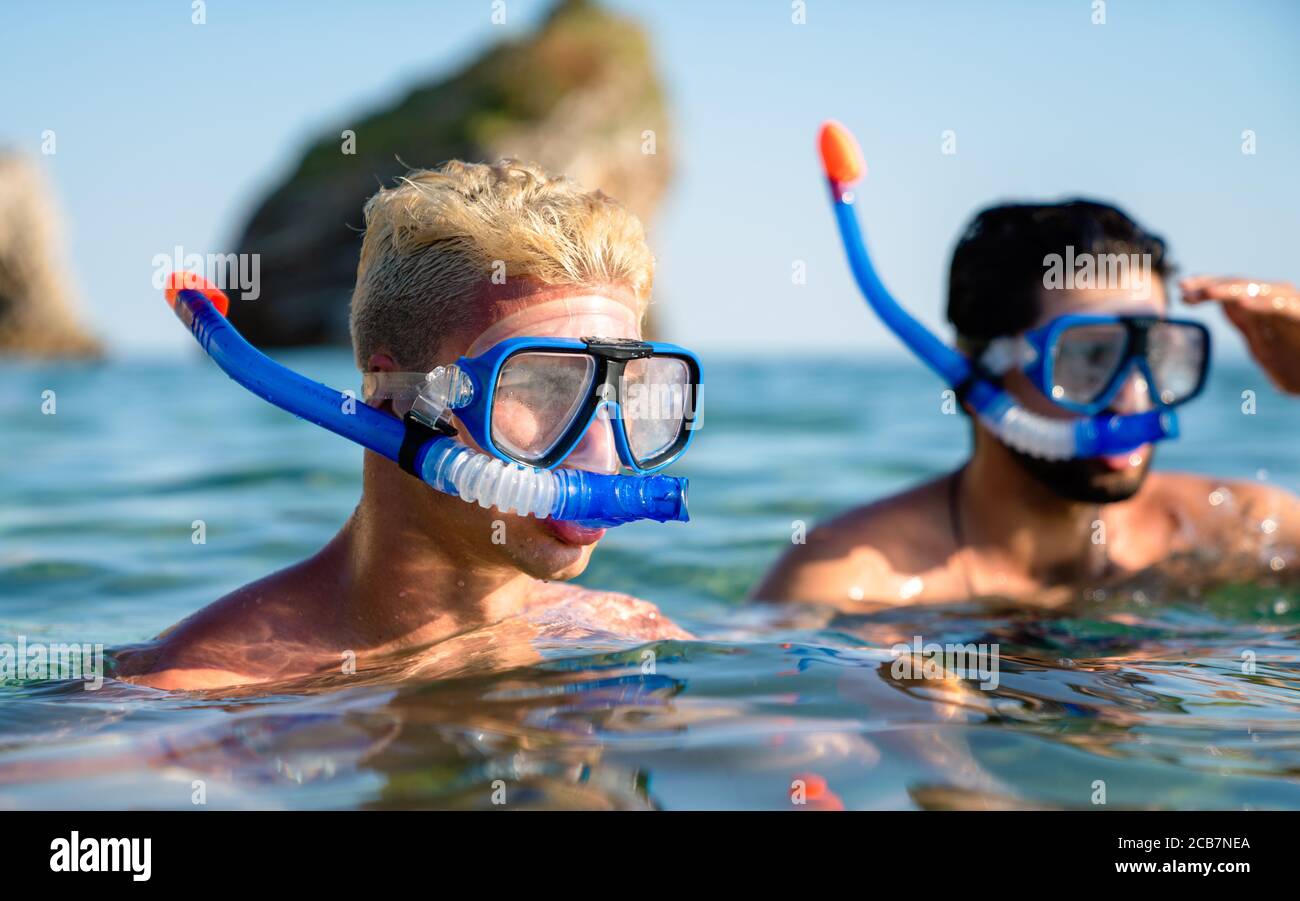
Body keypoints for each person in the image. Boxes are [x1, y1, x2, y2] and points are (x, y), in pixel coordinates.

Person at [118, 160, 700, 689]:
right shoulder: (208, 690)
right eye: (541, 386)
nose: (600, 452)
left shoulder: (625, 635)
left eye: (626, 393)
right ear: (395, 395)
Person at [756, 195, 1300, 609]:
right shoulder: (854, 582)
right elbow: (760, 726)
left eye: (1157, 356)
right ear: (974, 371)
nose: (1134, 401)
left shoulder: (1236, 528)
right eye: (1089, 359)